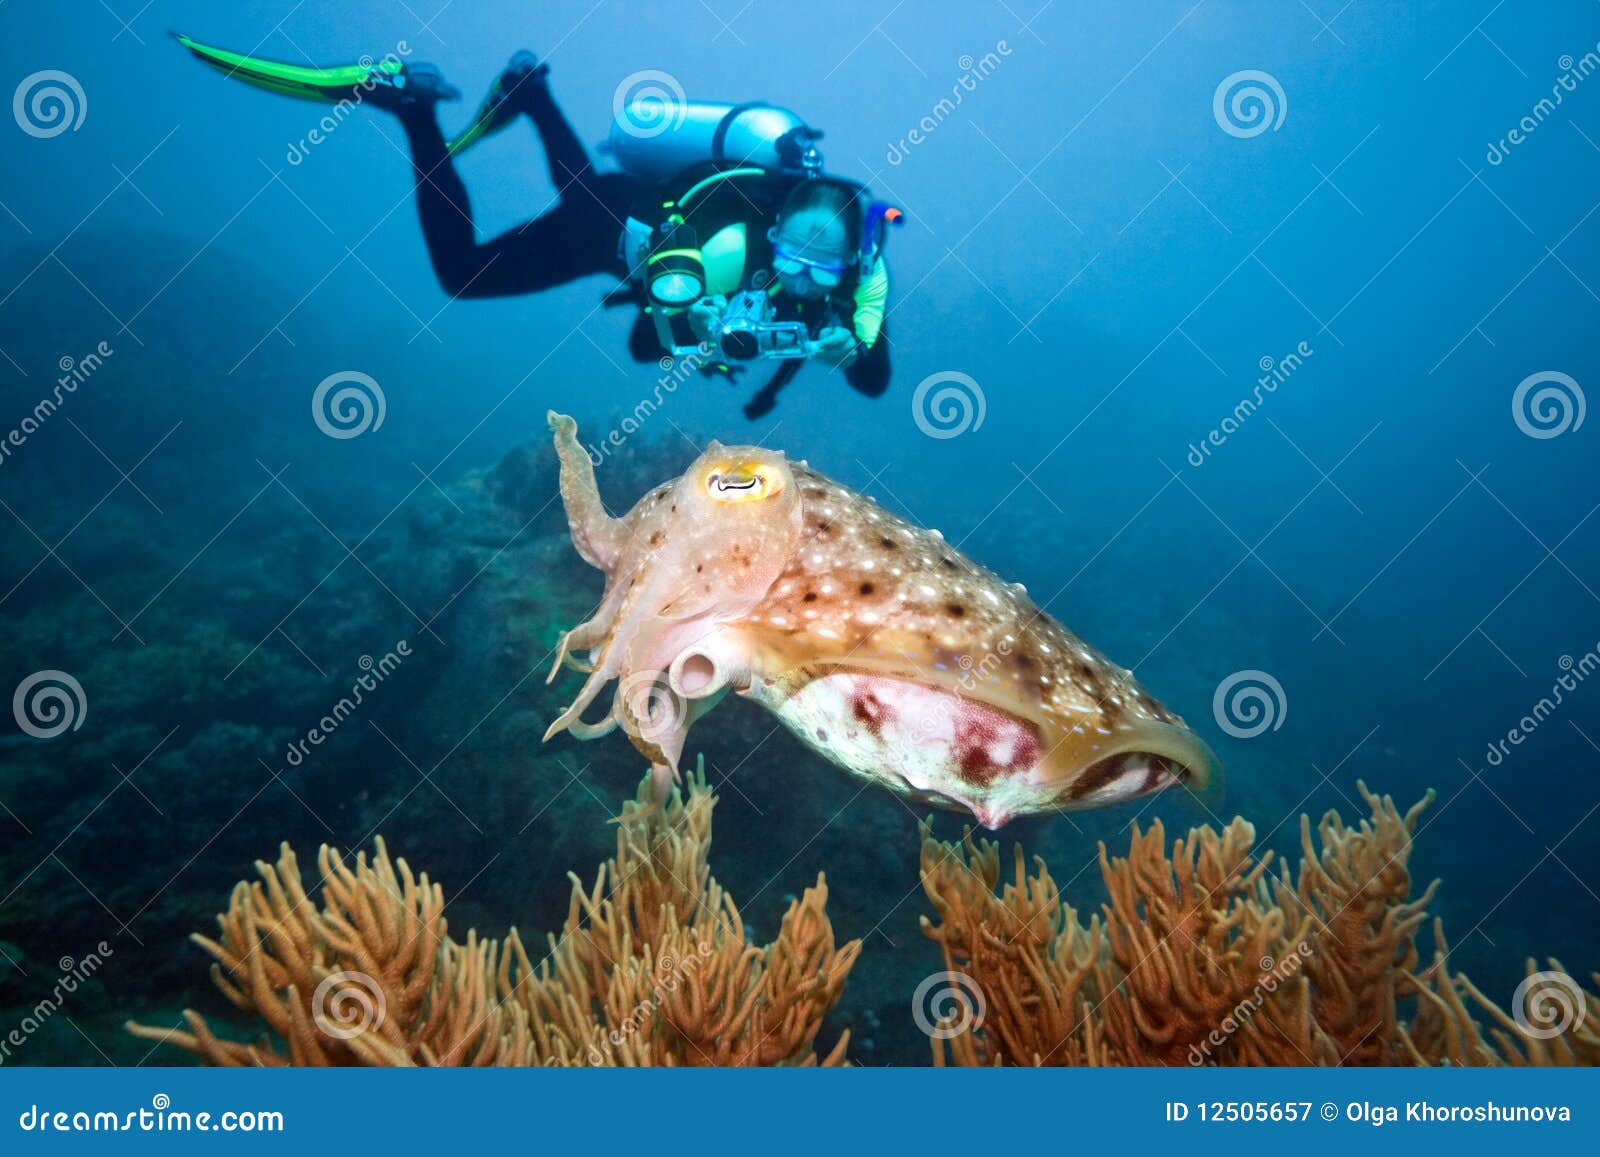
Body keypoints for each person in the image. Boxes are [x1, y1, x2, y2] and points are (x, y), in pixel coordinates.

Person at [371, 54, 891, 415]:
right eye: (789, 258)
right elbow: (643, 346)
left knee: (583, 188)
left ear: (850, 261)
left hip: (629, 200)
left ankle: (533, 93)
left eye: (821, 268)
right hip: (612, 228)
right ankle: (416, 110)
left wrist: (849, 353)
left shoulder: (863, 280)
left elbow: (875, 382)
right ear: (772, 231)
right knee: (463, 275)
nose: (800, 280)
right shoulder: (728, 249)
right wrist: (693, 319)